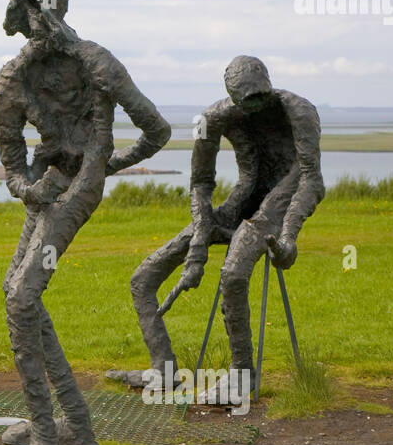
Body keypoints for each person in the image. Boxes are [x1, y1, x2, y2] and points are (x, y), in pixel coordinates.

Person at [0, 0, 170, 445]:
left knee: (23, 298)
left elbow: (156, 129)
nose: (32, 13)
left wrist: (101, 163)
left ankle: (48, 444)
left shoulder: (96, 63)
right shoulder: (12, 79)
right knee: (17, 292)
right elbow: (13, 166)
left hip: (80, 182)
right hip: (48, 191)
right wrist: (32, 189)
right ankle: (75, 427)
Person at [111, 55, 324, 400]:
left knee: (234, 275)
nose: (255, 107)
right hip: (240, 203)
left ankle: (242, 377)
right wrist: (199, 240)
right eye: (246, 100)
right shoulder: (212, 118)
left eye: (260, 96)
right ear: (232, 95)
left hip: (280, 200)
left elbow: (311, 179)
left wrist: (288, 234)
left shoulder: (298, 110)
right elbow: (200, 183)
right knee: (143, 279)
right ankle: (163, 369)